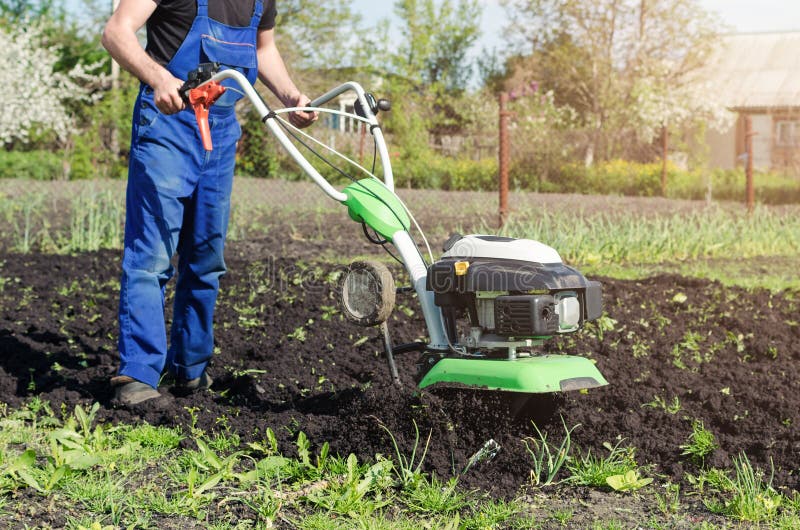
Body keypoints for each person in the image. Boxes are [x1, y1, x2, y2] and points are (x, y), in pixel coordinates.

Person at [102, 0, 317, 407]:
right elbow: (116, 32)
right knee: (152, 257)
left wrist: (289, 96)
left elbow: (263, 48)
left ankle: (189, 371)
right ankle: (138, 374)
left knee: (206, 257)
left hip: (220, 129)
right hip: (169, 123)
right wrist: (157, 77)